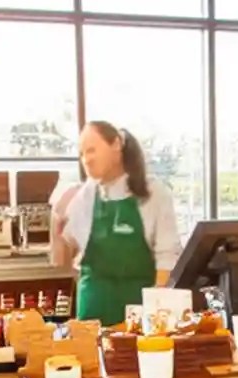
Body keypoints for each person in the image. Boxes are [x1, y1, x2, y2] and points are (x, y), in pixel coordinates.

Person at [50, 121, 182, 325]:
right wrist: (56, 218)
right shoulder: (84, 196)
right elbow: (61, 260)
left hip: (138, 319)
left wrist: (153, 315)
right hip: (91, 317)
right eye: (82, 154)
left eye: (92, 150)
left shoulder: (153, 193)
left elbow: (167, 258)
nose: (87, 160)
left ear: (116, 145)